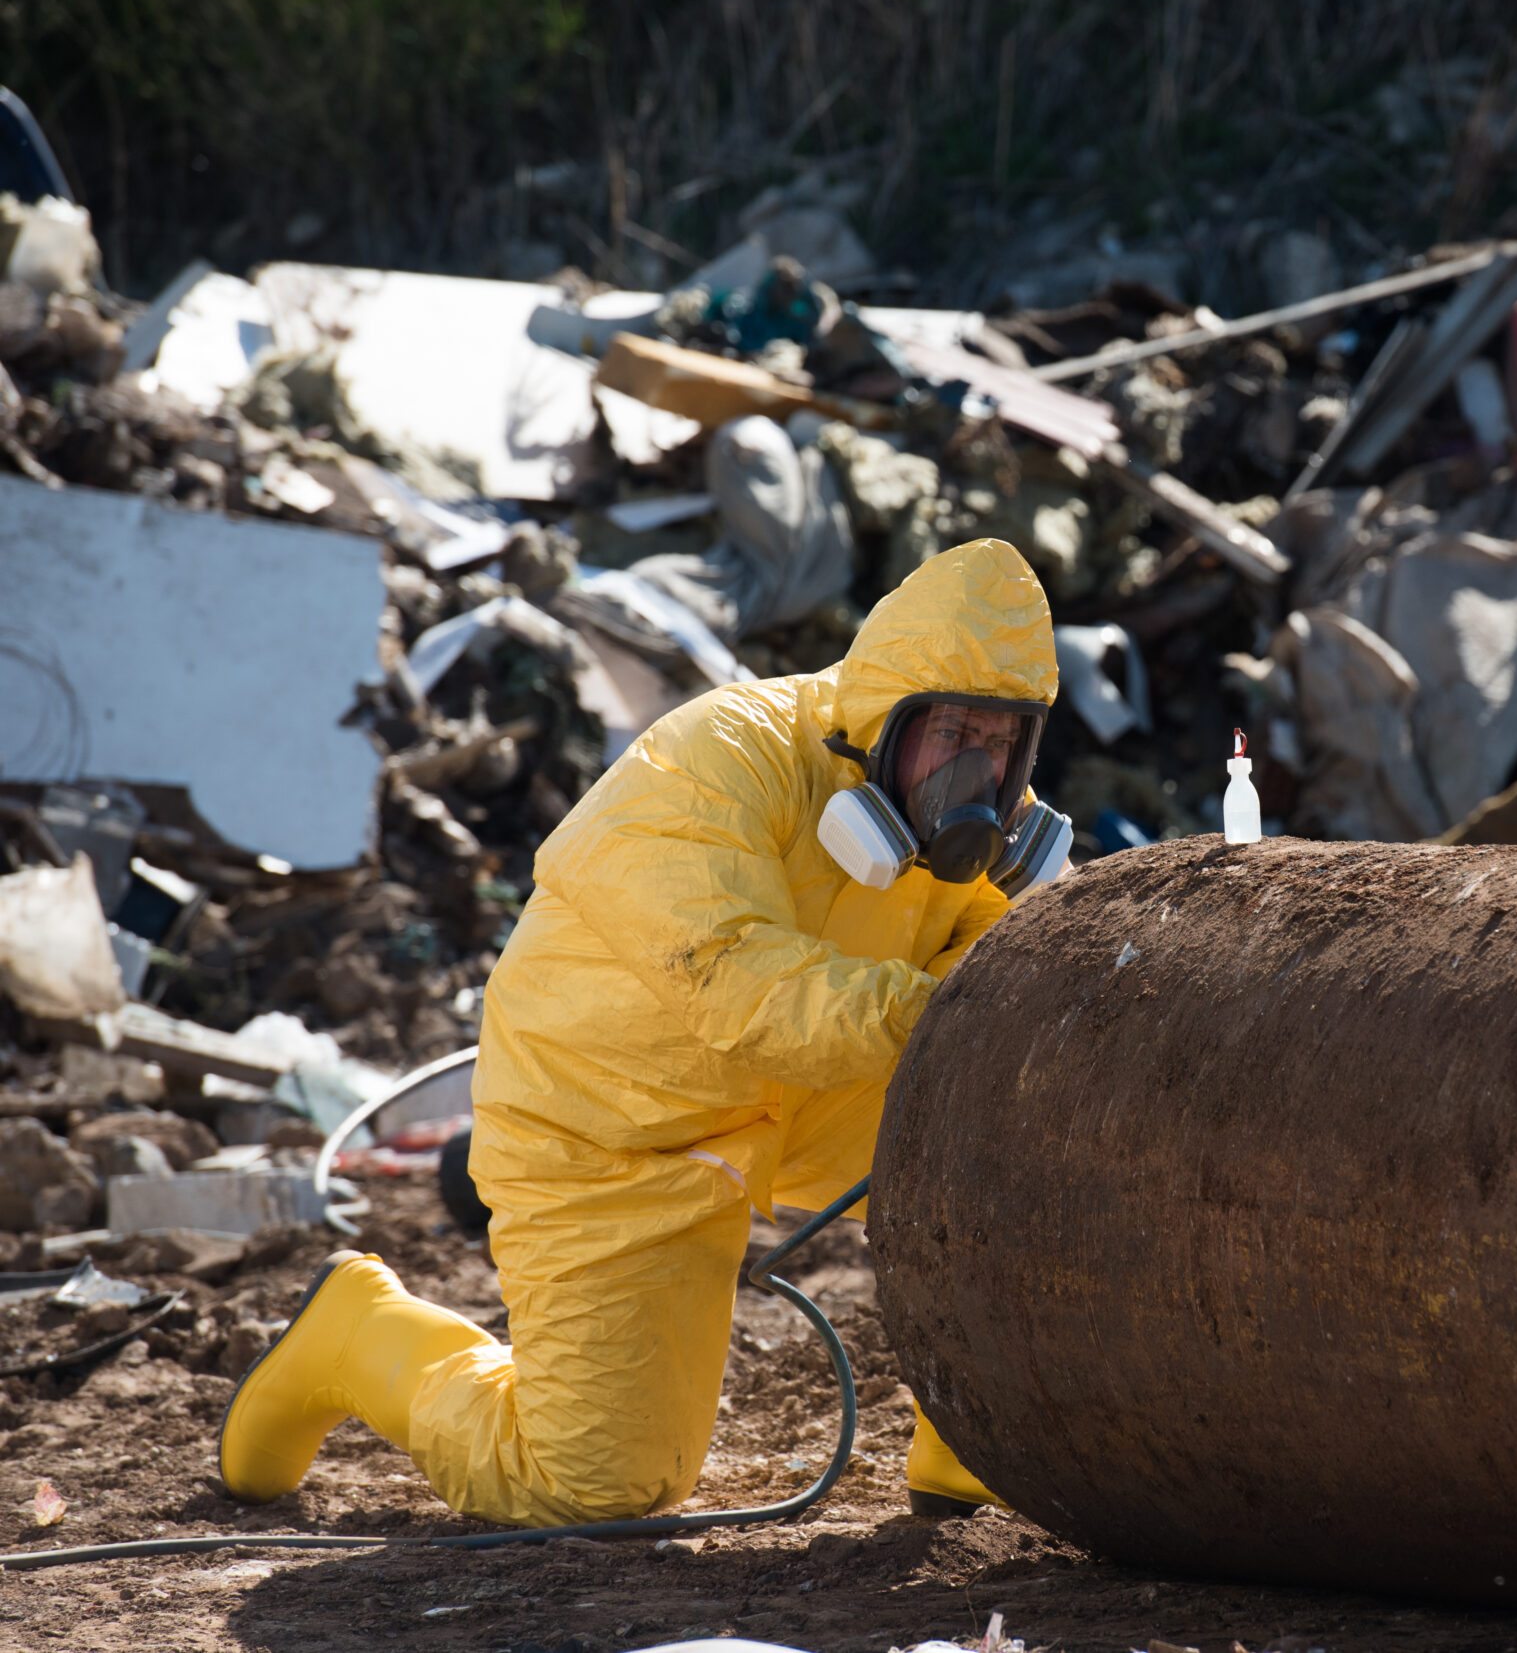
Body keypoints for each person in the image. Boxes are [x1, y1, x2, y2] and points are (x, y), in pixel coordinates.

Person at [218, 539, 1056, 1524]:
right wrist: (968, 1015)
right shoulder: (719, 759)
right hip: (608, 1119)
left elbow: (993, 976)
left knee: (1011, 1128)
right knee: (597, 1485)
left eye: (999, 740)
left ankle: (971, 1446)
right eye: (951, 730)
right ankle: (360, 1334)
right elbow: (742, 985)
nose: (974, 769)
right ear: (887, 715)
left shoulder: (974, 824)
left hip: (805, 1094)